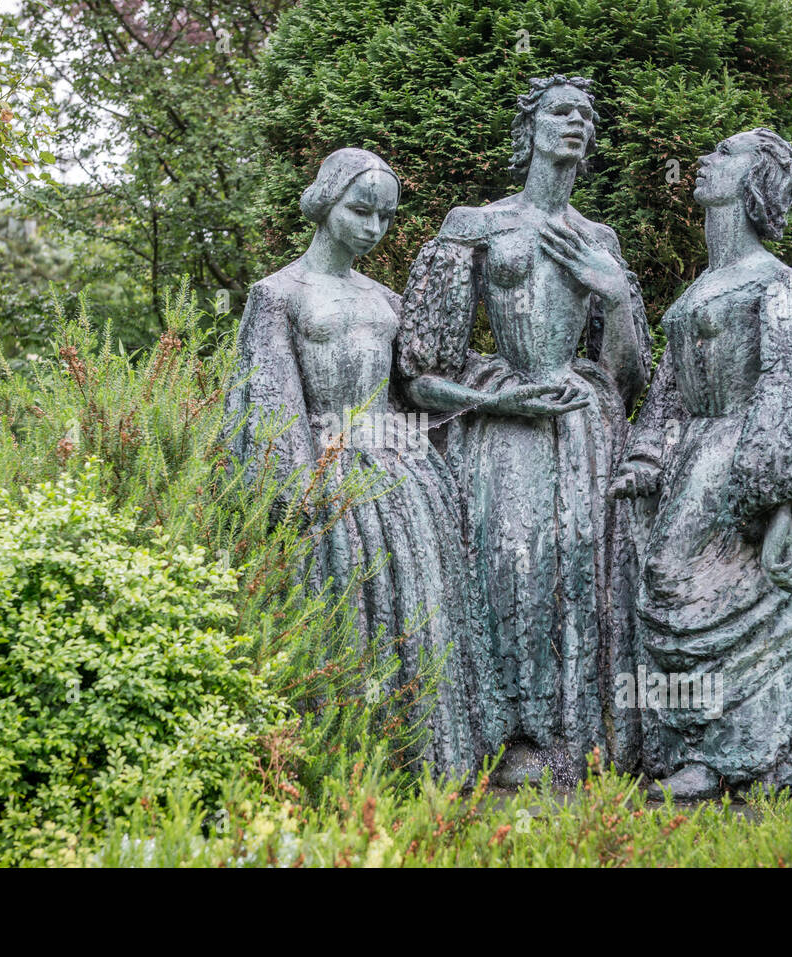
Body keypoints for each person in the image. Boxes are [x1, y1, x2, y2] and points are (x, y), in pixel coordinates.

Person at [396, 77, 651, 784]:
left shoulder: (600, 239)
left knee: (583, 571)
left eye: (586, 114)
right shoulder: (475, 223)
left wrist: (616, 292)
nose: (575, 122)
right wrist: (503, 405)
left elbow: (628, 377)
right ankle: (508, 733)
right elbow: (419, 370)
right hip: (502, 426)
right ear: (531, 128)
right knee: (508, 566)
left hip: (582, 427)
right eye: (560, 111)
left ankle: (580, 736)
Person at [223, 148, 481, 776]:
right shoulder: (276, 294)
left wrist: (491, 396)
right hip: (325, 469)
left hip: (401, 470)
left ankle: (425, 758)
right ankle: (342, 757)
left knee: (418, 606)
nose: (372, 227)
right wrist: (295, 484)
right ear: (326, 202)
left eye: (385, 218)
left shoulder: (389, 302)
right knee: (342, 608)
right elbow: (267, 396)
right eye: (360, 210)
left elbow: (417, 385)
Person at [611, 129, 792, 799]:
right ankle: (696, 743)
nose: (705, 159)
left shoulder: (780, 282)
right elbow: (665, 392)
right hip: (694, 459)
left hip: (744, 460)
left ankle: (734, 756)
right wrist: (645, 456)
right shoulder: (702, 286)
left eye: (723, 153)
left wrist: (780, 503)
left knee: (721, 602)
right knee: (669, 587)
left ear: (750, 184)